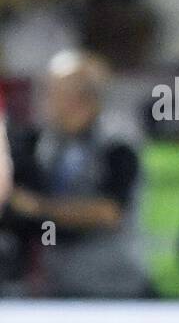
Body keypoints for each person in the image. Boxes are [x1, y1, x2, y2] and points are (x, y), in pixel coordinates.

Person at [0, 51, 147, 297]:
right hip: (55, 281)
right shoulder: (44, 142)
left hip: (110, 284)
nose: (45, 99)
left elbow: (109, 212)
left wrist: (38, 207)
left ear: (81, 97)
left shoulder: (116, 145)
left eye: (54, 91)